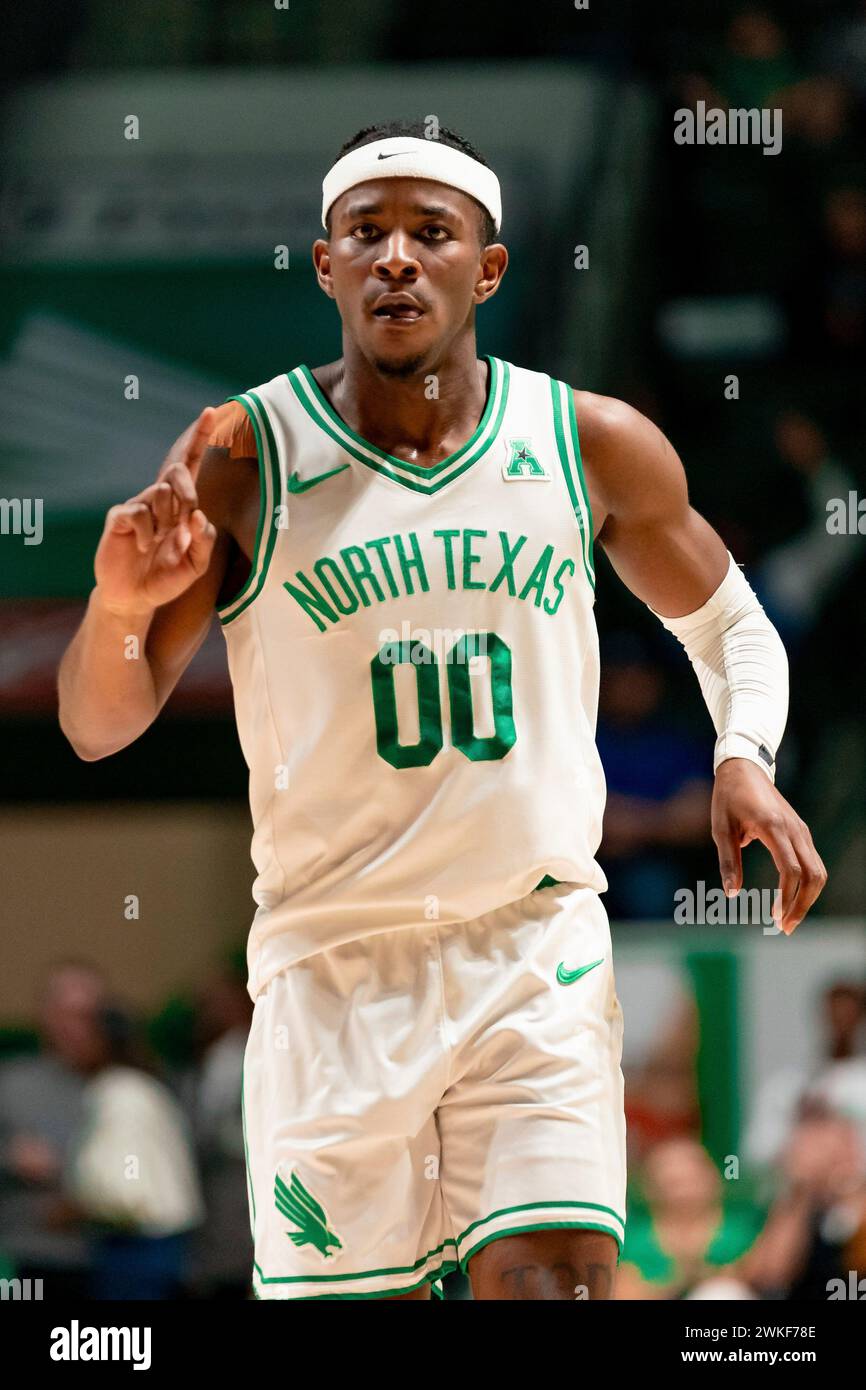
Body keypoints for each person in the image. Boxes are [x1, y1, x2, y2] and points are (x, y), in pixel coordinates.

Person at [57, 119, 827, 1301]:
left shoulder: (586, 442)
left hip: (531, 947)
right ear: (325, 268)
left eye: (432, 232)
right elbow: (97, 723)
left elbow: (727, 625)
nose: (397, 258)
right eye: (366, 234)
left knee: (558, 1280)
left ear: (490, 266)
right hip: (330, 967)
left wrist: (742, 756)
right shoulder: (240, 456)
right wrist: (119, 603)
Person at [0, 961, 106, 1297]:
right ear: (45, 1015)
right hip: (27, 1258)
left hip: (109, 1259)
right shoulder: (11, 1082)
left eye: (88, 1015)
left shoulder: (123, 1085)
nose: (76, 1027)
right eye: (67, 1014)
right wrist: (9, 1157)